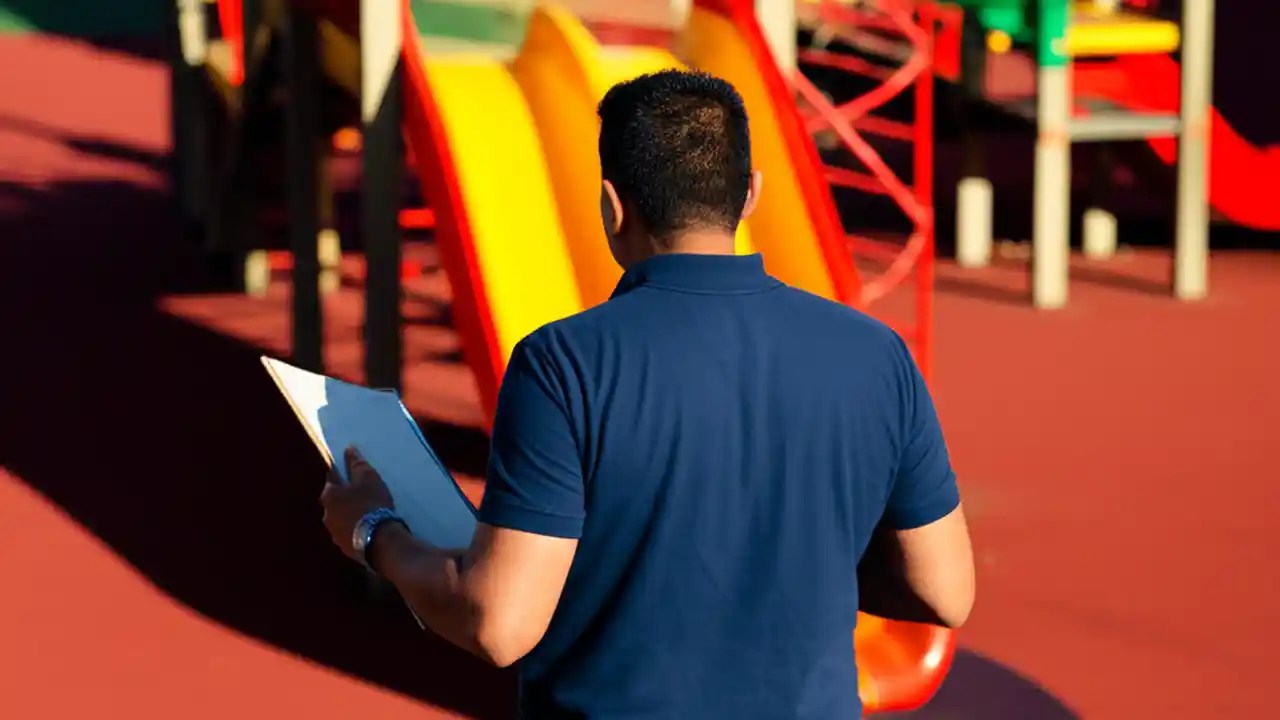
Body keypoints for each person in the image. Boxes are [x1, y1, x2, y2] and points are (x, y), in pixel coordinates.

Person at [320, 69, 974, 719]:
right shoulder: (876, 355)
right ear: (749, 195)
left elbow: (498, 623)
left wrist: (375, 532)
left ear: (611, 203)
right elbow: (946, 593)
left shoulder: (563, 364)